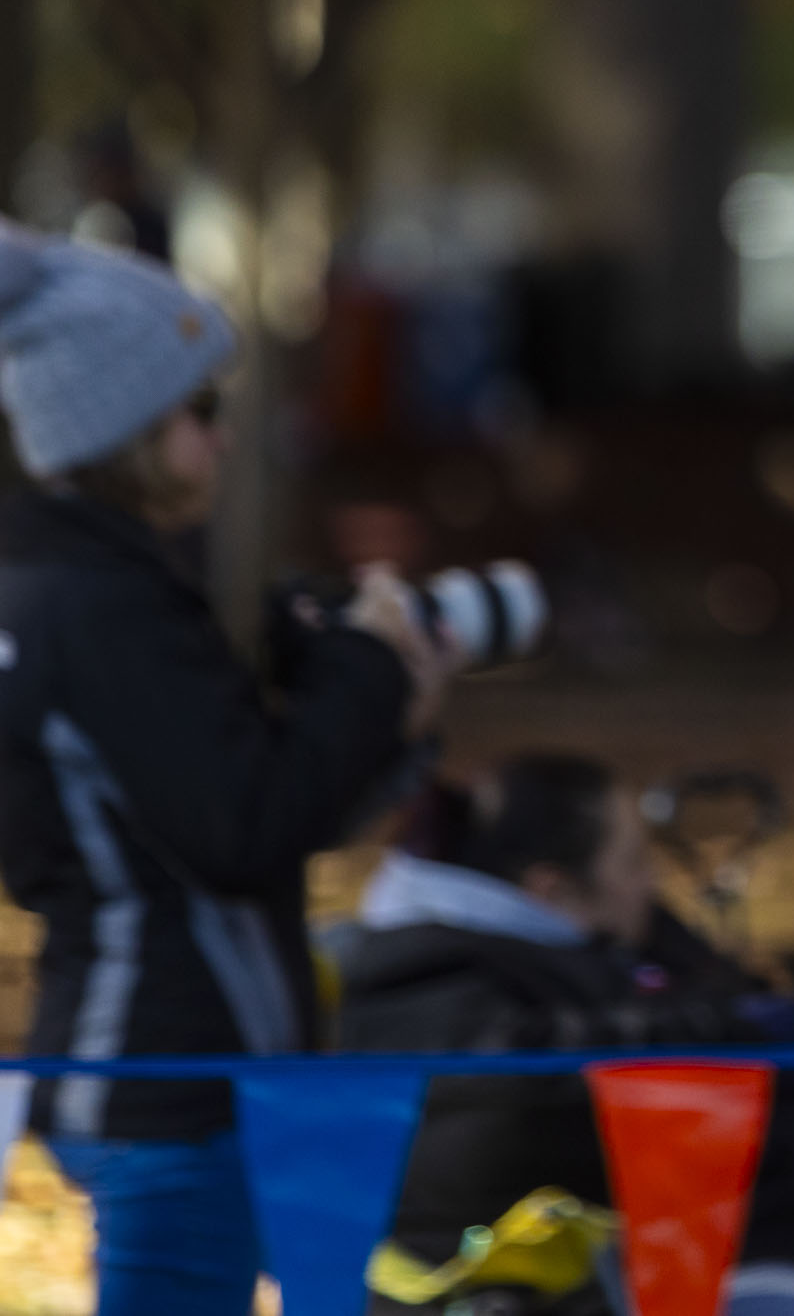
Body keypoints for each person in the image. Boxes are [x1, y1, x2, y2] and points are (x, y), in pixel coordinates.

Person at [0, 221, 453, 1312]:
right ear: (123, 432)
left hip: (170, 1069)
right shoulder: (101, 610)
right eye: (201, 413)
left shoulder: (86, 585)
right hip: (168, 1086)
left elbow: (243, 803)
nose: (223, 437)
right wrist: (369, 668)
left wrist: (382, 704)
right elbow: (241, 821)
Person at [336, 756, 794, 1316]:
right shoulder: (419, 976)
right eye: (631, 860)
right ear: (551, 888)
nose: (650, 881)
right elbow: (527, 1094)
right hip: (681, 1277)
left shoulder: (625, 941)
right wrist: (734, 1032)